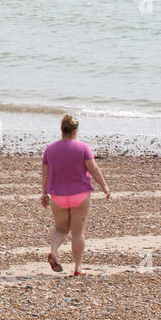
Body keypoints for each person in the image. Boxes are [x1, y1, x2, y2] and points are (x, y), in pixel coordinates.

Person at [41, 114, 110, 275]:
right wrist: (105, 187)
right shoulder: (83, 148)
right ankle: (78, 267)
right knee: (78, 232)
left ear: (62, 130)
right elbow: (93, 169)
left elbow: (45, 174)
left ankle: (54, 252)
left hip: (57, 196)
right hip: (80, 195)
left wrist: (44, 193)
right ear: (75, 132)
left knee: (60, 229)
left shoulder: (50, 149)